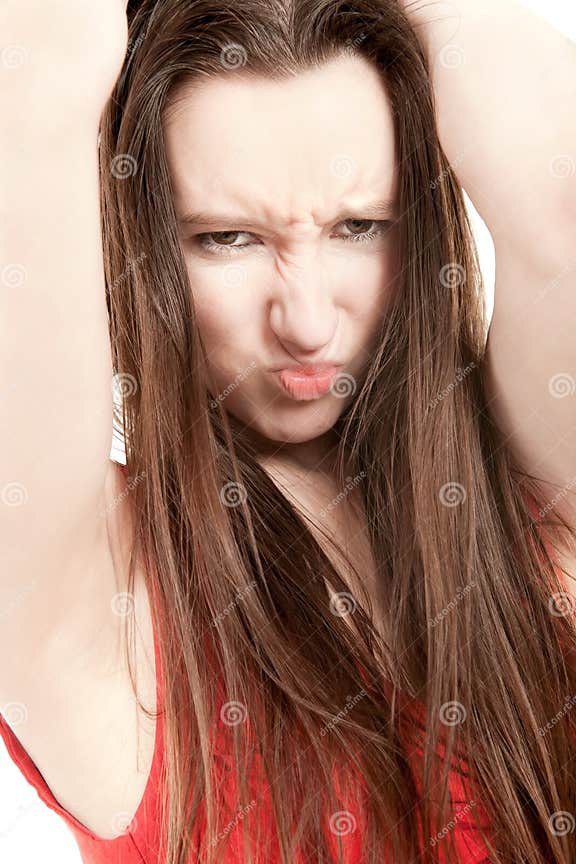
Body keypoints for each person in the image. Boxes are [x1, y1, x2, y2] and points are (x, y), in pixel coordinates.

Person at [1, 1, 575, 862]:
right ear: (137, 245)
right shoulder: (95, 595)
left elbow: (562, 216)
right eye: (225, 238)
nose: (307, 323)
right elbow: (32, 70)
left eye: (358, 227)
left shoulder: (518, 500)